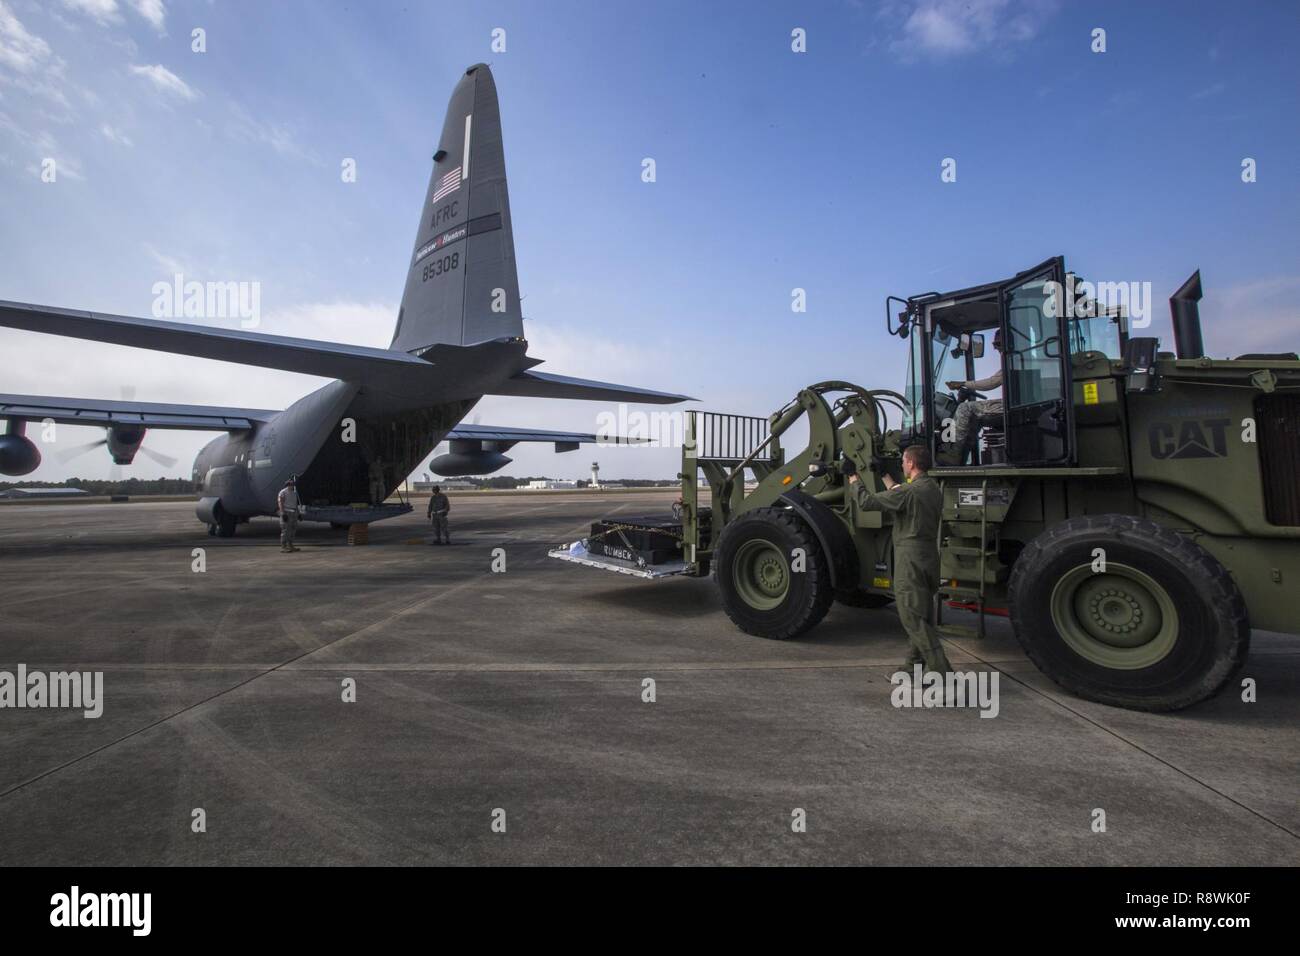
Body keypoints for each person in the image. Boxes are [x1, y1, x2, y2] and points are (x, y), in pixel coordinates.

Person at [848, 445, 953, 674]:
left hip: (910, 560)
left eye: (904, 462)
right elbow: (900, 494)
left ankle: (944, 674)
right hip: (929, 558)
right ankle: (912, 667)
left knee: (912, 617)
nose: (903, 465)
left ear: (912, 464)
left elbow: (867, 503)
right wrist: (884, 474)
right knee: (922, 613)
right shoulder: (932, 489)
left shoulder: (909, 493)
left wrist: (853, 477)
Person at [945, 330, 1004, 464]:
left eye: (998, 344)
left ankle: (954, 455)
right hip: (1013, 404)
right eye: (995, 344)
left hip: (1008, 406)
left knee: (965, 408)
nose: (995, 348)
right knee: (973, 419)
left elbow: (991, 383)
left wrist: (963, 383)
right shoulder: (1014, 360)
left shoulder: (1013, 360)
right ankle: (964, 458)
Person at [276, 476, 302, 553]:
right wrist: (283, 513)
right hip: (287, 512)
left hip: (294, 512)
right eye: (290, 484)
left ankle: (290, 545)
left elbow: (295, 504)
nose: (292, 485)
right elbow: (280, 503)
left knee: (293, 529)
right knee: (285, 530)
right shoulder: (283, 492)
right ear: (287, 485)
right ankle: (283, 546)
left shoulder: (294, 493)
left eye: (293, 484)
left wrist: (299, 514)